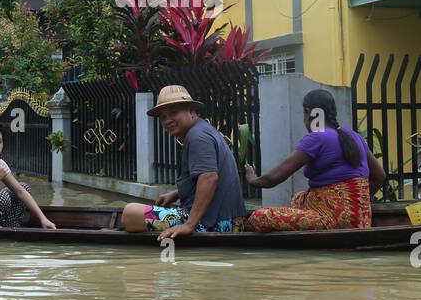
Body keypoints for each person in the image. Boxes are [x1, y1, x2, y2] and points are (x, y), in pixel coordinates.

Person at [243, 89, 386, 232]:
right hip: (361, 219)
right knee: (299, 199)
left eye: (304, 114)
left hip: (335, 220)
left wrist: (252, 179)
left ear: (309, 113)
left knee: (259, 217)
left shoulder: (317, 137)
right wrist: (355, 203)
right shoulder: (354, 136)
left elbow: (274, 178)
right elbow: (380, 176)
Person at [120, 85, 249, 240]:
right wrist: (176, 193)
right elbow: (210, 177)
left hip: (216, 223)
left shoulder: (197, 137)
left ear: (192, 111)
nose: (167, 120)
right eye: (163, 116)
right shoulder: (203, 130)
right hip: (230, 220)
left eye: (173, 113)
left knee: (130, 213)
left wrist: (189, 224)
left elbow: (209, 178)